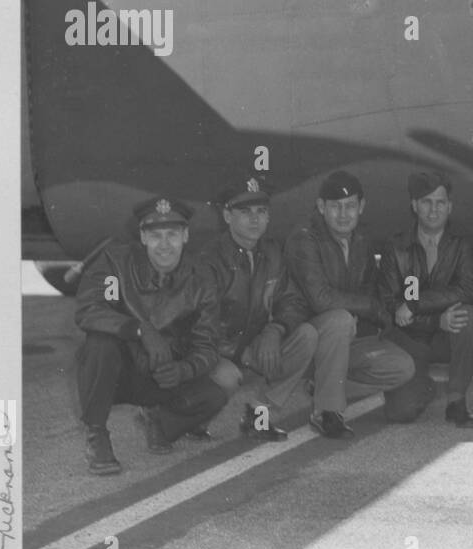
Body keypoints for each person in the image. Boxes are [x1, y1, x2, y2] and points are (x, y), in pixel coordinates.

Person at [73, 197, 227, 474]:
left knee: (214, 396)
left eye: (172, 235)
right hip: (119, 371)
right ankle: (97, 434)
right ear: (143, 237)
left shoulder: (201, 278)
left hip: (161, 374)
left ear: (186, 236)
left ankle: (158, 419)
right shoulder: (116, 264)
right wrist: (139, 329)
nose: (165, 244)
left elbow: (208, 346)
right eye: (156, 236)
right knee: (100, 342)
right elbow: (88, 310)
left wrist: (183, 370)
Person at [285, 170, 417, 437]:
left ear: (362, 207)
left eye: (350, 206)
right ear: (321, 207)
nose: (344, 214)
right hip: (307, 341)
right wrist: (369, 308)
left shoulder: (361, 241)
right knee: (340, 319)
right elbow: (321, 299)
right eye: (335, 206)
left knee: (401, 367)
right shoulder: (304, 238)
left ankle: (323, 385)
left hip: (346, 338)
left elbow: (368, 289)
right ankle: (327, 412)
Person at [199, 175, 315, 441]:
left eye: (261, 211)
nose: (254, 219)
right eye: (245, 212)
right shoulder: (210, 259)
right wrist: (242, 352)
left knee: (307, 335)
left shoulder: (273, 253)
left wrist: (275, 330)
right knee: (226, 377)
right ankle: (181, 417)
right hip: (216, 351)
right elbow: (202, 322)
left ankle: (258, 417)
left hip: (251, 346)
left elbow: (293, 301)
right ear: (227, 216)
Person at [378, 171, 473, 429]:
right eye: (426, 202)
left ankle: (457, 400)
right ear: (414, 205)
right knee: (401, 413)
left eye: (440, 202)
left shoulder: (462, 243)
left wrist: (415, 303)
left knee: (469, 317)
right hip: (409, 339)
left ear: (450, 206)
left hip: (445, 338)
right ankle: (425, 387)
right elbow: (391, 306)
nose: (433, 210)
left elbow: (468, 289)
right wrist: (437, 320)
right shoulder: (396, 247)